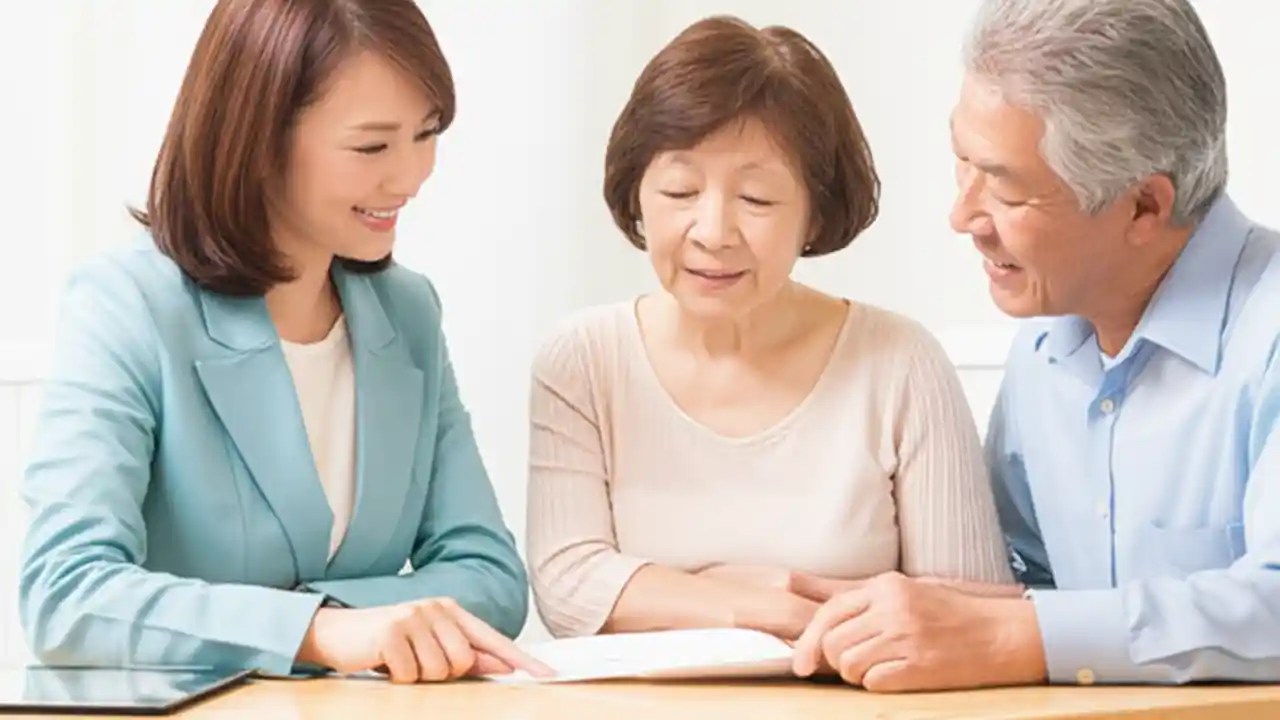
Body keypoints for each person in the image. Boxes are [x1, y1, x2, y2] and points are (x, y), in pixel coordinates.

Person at [19, 0, 550, 684]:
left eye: (427, 133)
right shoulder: (127, 305)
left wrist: (323, 621)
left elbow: (491, 579)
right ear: (258, 139)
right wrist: (318, 631)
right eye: (371, 146)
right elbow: (65, 595)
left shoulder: (407, 312)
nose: (412, 176)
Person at [794, 0, 1280, 691]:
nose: (962, 216)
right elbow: (1016, 582)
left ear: (1145, 205)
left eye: (1005, 188)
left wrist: (1017, 635)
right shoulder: (1046, 353)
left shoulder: (1269, 335)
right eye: (963, 163)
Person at [524, 15, 1013, 643]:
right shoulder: (583, 359)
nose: (713, 231)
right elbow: (568, 585)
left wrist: (664, 592)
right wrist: (759, 607)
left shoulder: (899, 361)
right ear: (637, 193)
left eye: (755, 200)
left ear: (814, 213)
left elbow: (963, 609)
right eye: (679, 191)